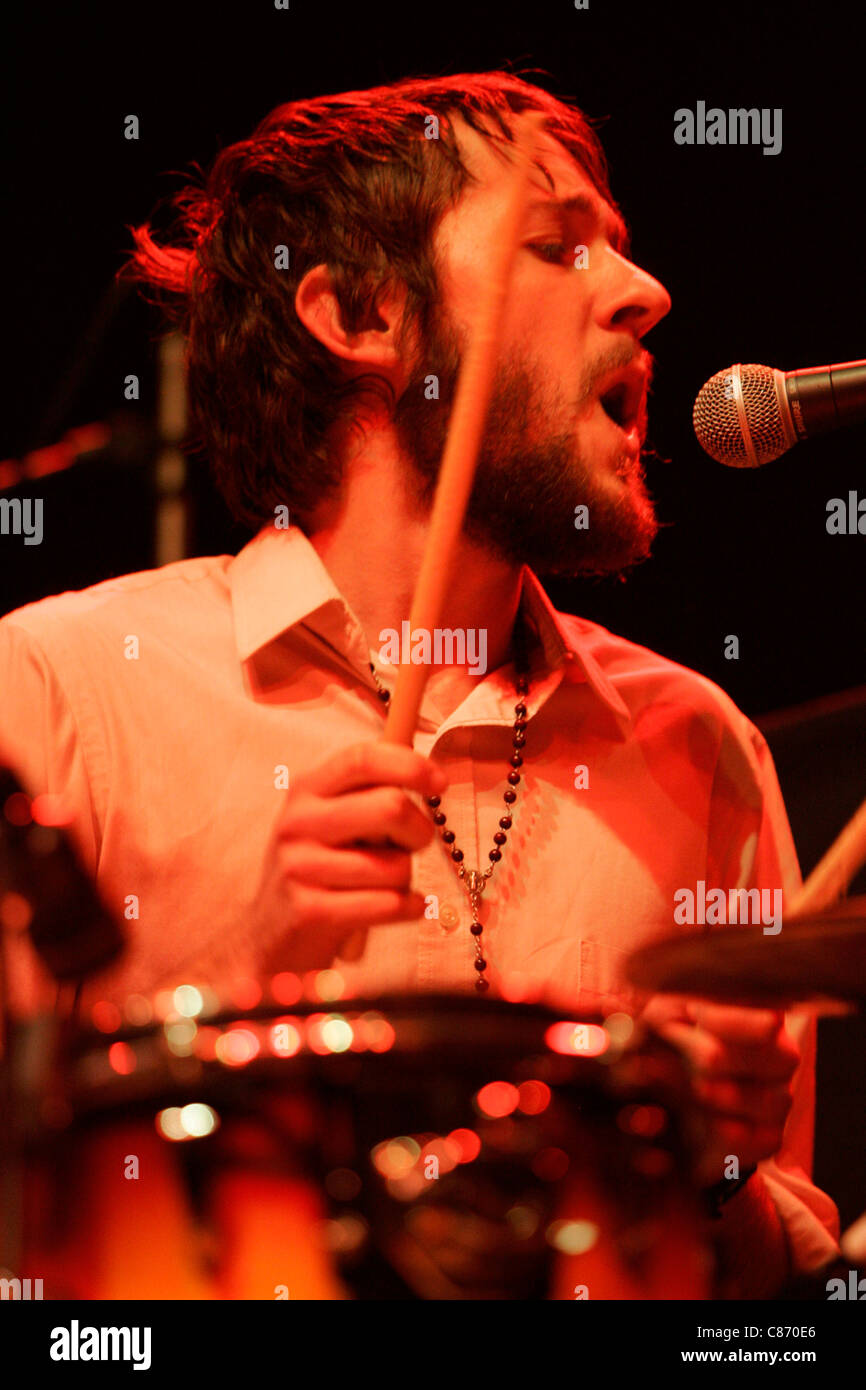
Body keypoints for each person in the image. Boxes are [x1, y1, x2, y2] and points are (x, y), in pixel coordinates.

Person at [0, 71, 840, 1296]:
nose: (643, 291)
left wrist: (706, 1170)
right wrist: (206, 975)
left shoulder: (694, 742)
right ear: (360, 313)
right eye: (555, 246)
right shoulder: (56, 689)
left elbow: (768, 1308)